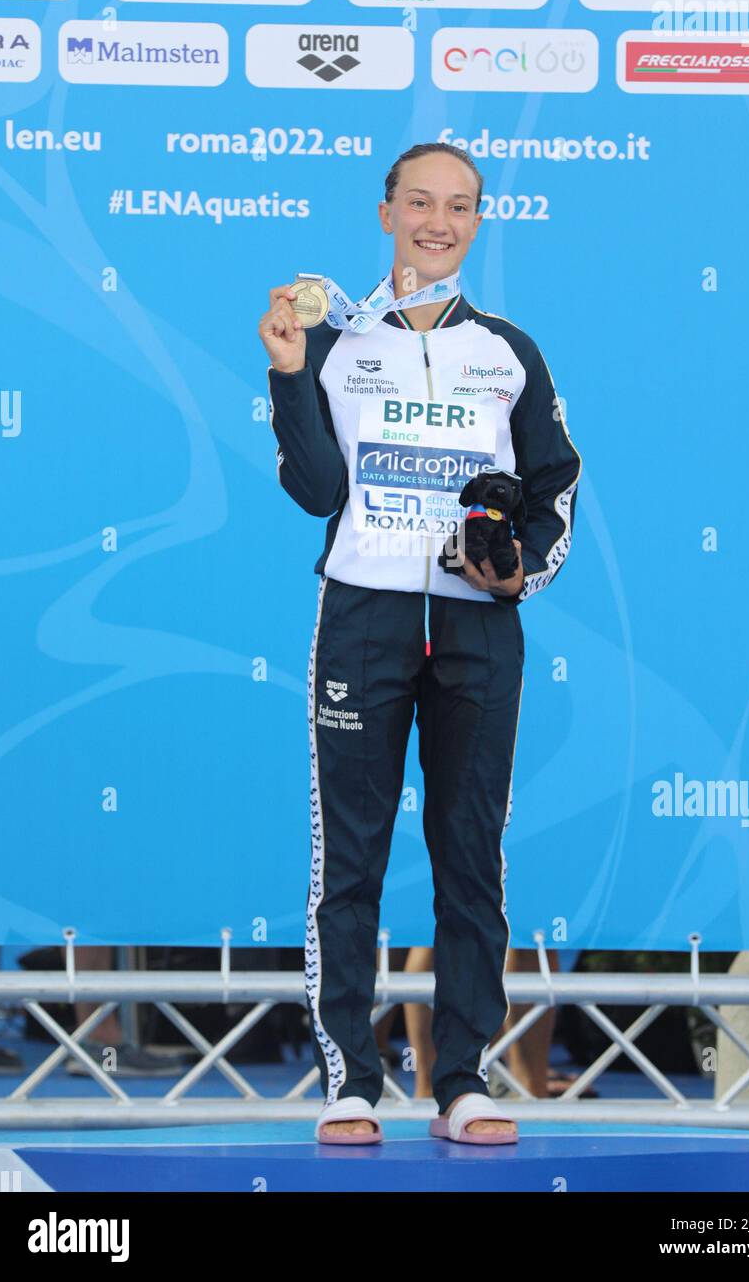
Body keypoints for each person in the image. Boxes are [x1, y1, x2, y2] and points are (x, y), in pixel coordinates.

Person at [259, 142, 581, 1143]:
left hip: (478, 625)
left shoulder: (510, 352)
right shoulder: (334, 342)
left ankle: (461, 1076)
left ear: (477, 221)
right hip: (363, 612)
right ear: (385, 211)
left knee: (470, 854)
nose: (437, 222)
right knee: (348, 858)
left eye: (459, 206)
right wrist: (284, 372)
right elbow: (314, 488)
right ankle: (351, 1077)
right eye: (419, 203)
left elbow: (554, 488)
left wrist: (518, 563)